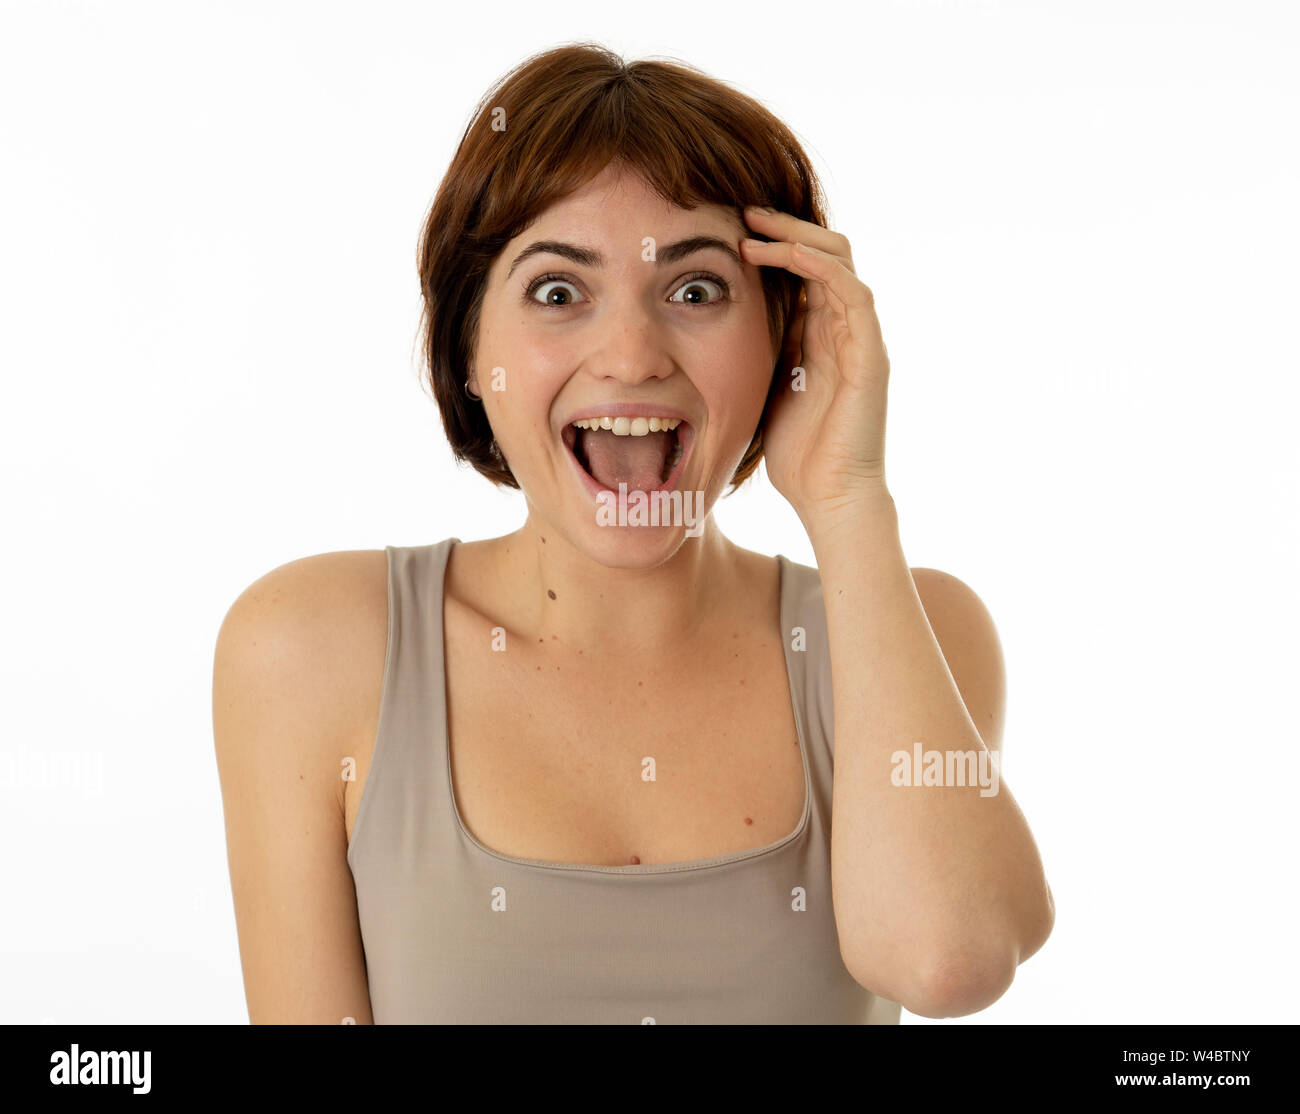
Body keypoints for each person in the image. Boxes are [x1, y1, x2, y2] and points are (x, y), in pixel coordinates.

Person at [212, 41, 1054, 1024]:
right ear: (469, 346)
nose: (631, 354)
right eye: (559, 292)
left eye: (695, 290)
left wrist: (849, 498)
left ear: (786, 340)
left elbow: (948, 962)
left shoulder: (913, 630)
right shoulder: (310, 647)